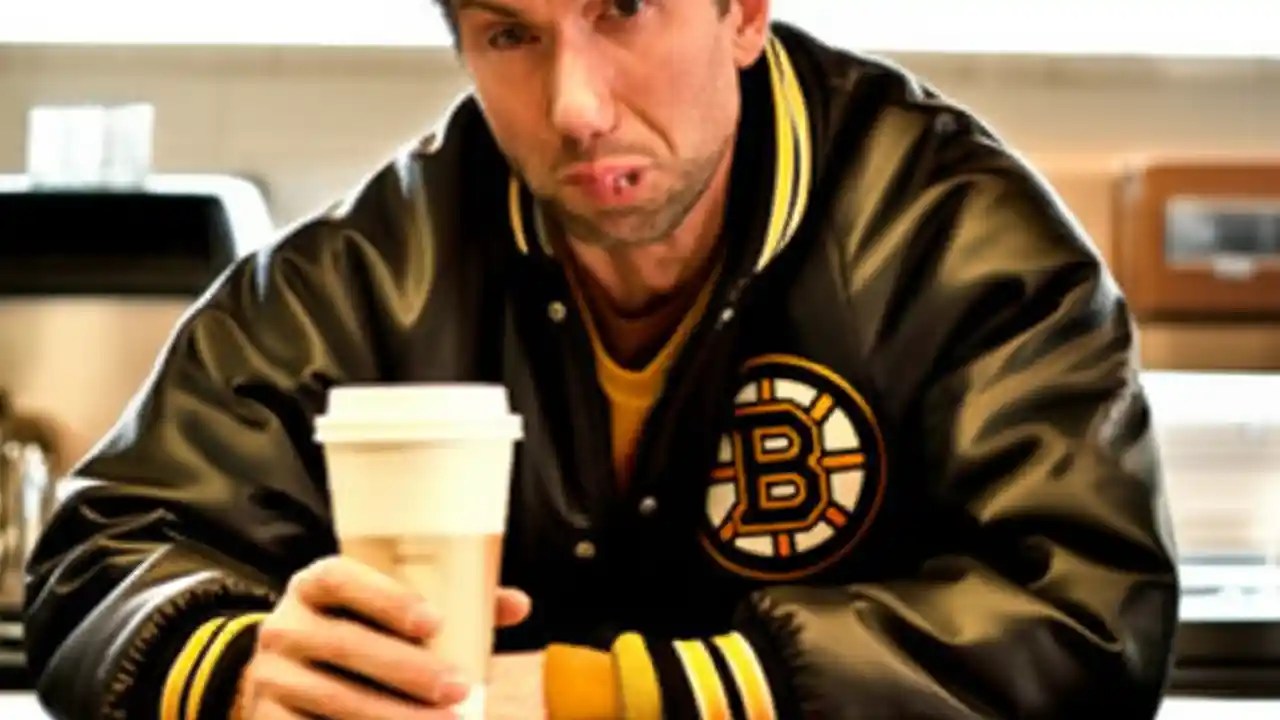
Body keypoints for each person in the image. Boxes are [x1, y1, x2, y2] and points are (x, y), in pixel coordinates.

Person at [23, 1, 1181, 718]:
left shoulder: (964, 249)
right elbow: (103, 557)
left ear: (741, 11)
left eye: (620, 9)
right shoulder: (366, 270)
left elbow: (1083, 623)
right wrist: (237, 670)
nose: (574, 107)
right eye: (510, 34)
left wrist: (600, 695)